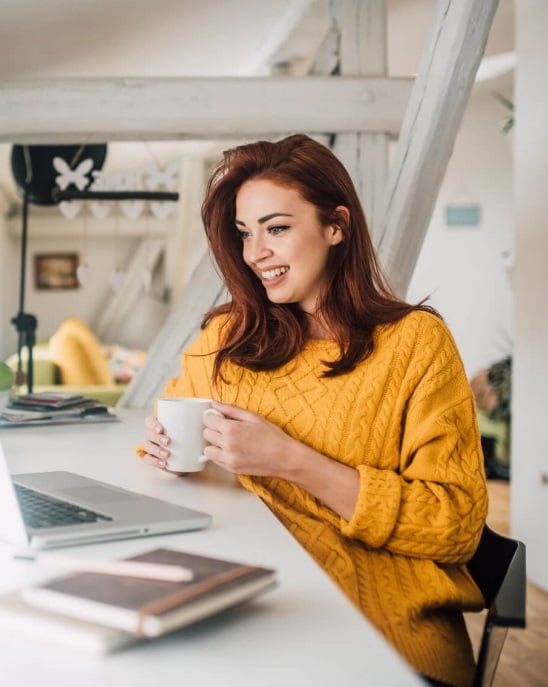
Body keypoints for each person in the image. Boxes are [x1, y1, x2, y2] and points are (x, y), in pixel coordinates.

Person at [138, 134, 488, 687]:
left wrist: (289, 459)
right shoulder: (225, 335)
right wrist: (164, 448)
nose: (255, 253)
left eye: (276, 228)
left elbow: (456, 525)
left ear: (335, 226)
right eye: (244, 233)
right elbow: (171, 435)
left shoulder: (415, 342)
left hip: (377, 629)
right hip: (251, 598)